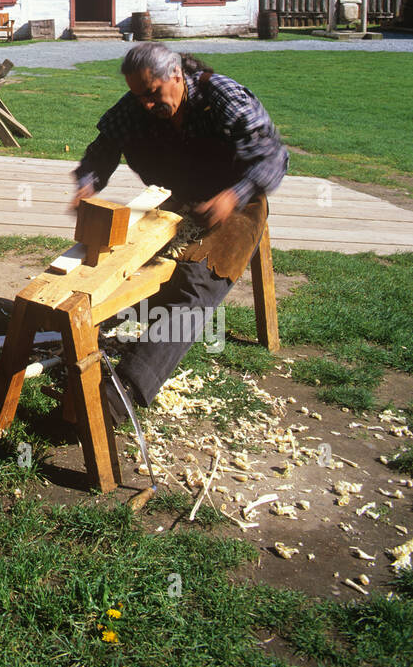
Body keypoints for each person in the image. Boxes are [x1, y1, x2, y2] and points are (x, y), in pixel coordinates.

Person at [72, 42, 288, 421]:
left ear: (176, 74)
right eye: (139, 96)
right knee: (122, 264)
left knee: (195, 282)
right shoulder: (139, 102)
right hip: (175, 200)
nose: (146, 104)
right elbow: (104, 147)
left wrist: (232, 195)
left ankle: (114, 400)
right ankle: (90, 337)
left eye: (153, 94)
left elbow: (274, 157)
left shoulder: (222, 95)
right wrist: (87, 183)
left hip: (236, 202)